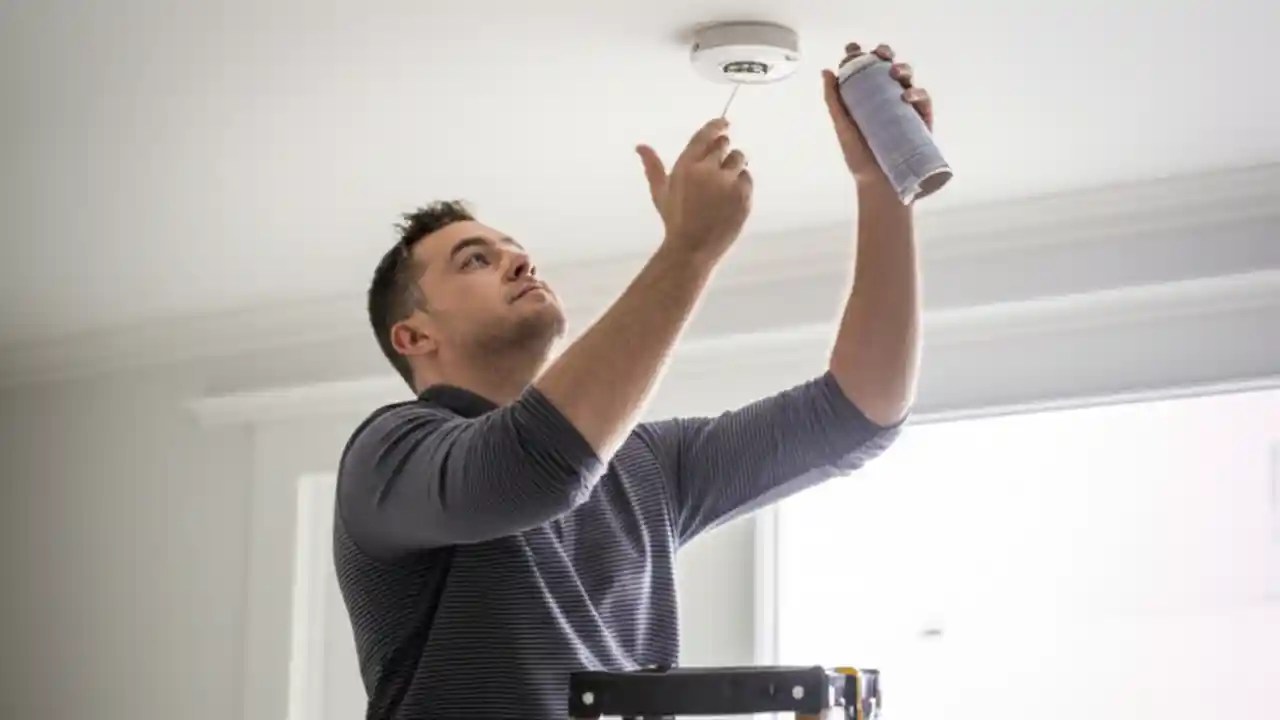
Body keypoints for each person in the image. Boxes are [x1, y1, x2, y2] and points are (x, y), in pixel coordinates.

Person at [334, 40, 931, 719]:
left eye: (518, 253)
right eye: (476, 260)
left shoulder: (645, 467)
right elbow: (534, 467)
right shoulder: (390, 455)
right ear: (414, 336)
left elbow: (862, 411)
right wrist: (688, 250)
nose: (521, 264)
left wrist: (886, 188)